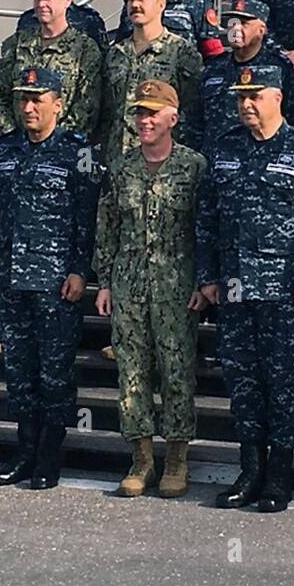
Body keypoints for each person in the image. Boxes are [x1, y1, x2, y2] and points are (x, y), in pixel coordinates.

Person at [196, 65, 294, 512]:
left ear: (279, 97)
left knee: (281, 385)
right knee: (242, 384)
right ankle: (250, 469)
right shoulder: (225, 150)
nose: (247, 105)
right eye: (241, 97)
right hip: (236, 291)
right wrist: (209, 277)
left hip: (284, 292)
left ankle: (279, 475)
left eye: (256, 96)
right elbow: (207, 220)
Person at [0, 67, 101, 490]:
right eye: (23, 99)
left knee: (55, 373)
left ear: (58, 104)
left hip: (56, 282)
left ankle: (50, 455)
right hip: (12, 280)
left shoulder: (77, 151)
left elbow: (87, 217)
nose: (28, 107)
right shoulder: (5, 150)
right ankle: (24, 451)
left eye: (38, 99)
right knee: (19, 370)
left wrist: (79, 270)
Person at [94, 80, 208, 500]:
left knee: (177, 374)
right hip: (128, 285)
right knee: (132, 376)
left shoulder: (193, 167)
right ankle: (140, 460)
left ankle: (177, 460)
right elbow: (107, 227)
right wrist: (104, 282)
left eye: (153, 113)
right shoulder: (122, 168)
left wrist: (202, 281)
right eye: (140, 113)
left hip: (177, 289)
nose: (144, 120)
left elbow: (204, 229)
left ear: (172, 118)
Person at [0, 0, 103, 141]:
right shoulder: (16, 44)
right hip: (17, 146)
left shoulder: (85, 49)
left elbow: (86, 108)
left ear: (67, 0)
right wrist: (12, 137)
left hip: (62, 148)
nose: (41, 4)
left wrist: (54, 142)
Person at [101, 0, 204, 158]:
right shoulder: (115, 53)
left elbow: (191, 110)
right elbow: (108, 111)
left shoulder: (181, 51)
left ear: (161, 4)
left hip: (162, 164)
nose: (135, 5)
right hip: (118, 162)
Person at [201, 0, 294, 159]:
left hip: (263, 158)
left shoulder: (278, 66)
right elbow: (198, 115)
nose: (235, 29)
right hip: (218, 159)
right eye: (232, 23)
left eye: (244, 24)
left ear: (261, 29)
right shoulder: (215, 68)